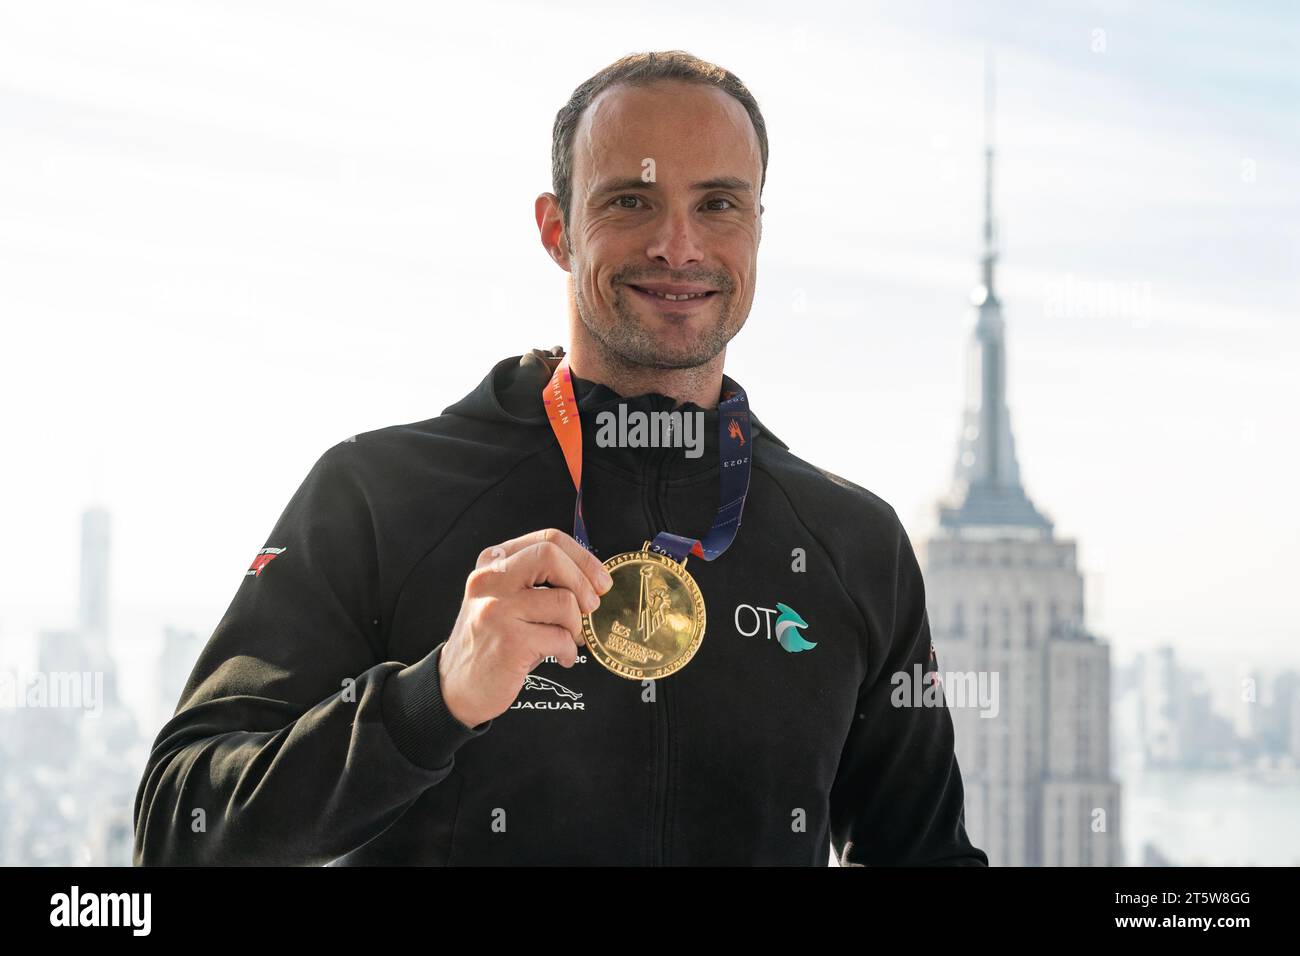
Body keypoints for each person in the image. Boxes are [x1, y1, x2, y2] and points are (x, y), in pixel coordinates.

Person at [133, 50, 988, 867]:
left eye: (720, 204)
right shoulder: (376, 493)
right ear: (556, 230)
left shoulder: (854, 542)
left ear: (759, 225)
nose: (679, 245)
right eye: (631, 203)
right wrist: (432, 698)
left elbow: (925, 856)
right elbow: (179, 828)